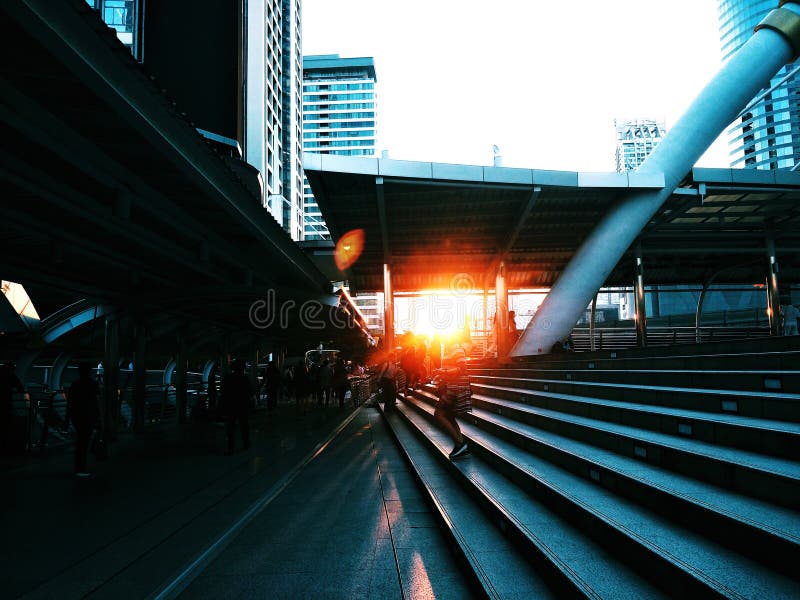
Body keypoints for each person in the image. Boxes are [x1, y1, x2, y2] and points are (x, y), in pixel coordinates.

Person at [432, 344, 471, 460]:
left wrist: (444, 371)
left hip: (455, 387)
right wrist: (442, 372)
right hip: (452, 386)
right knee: (449, 416)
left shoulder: (457, 350)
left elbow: (462, 368)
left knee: (439, 414)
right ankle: (460, 445)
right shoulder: (450, 349)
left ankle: (461, 443)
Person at [65, 362, 100, 476]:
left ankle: (79, 467)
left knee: (81, 441)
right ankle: (81, 468)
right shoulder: (92, 384)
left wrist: (68, 417)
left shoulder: (75, 384)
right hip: (88, 415)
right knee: (84, 441)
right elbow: (96, 401)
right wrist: (98, 417)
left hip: (77, 415)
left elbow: (70, 402)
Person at [220, 359, 254, 454]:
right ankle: (246, 443)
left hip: (231, 405)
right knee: (244, 425)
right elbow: (250, 392)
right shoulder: (245, 378)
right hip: (243, 405)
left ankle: (231, 447)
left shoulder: (228, 377)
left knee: (230, 426)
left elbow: (223, 392)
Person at [0, 362, 25, 455]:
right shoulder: (11, 377)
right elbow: (20, 388)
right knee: (5, 426)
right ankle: (4, 447)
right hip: (5, 404)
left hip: (4, 404)